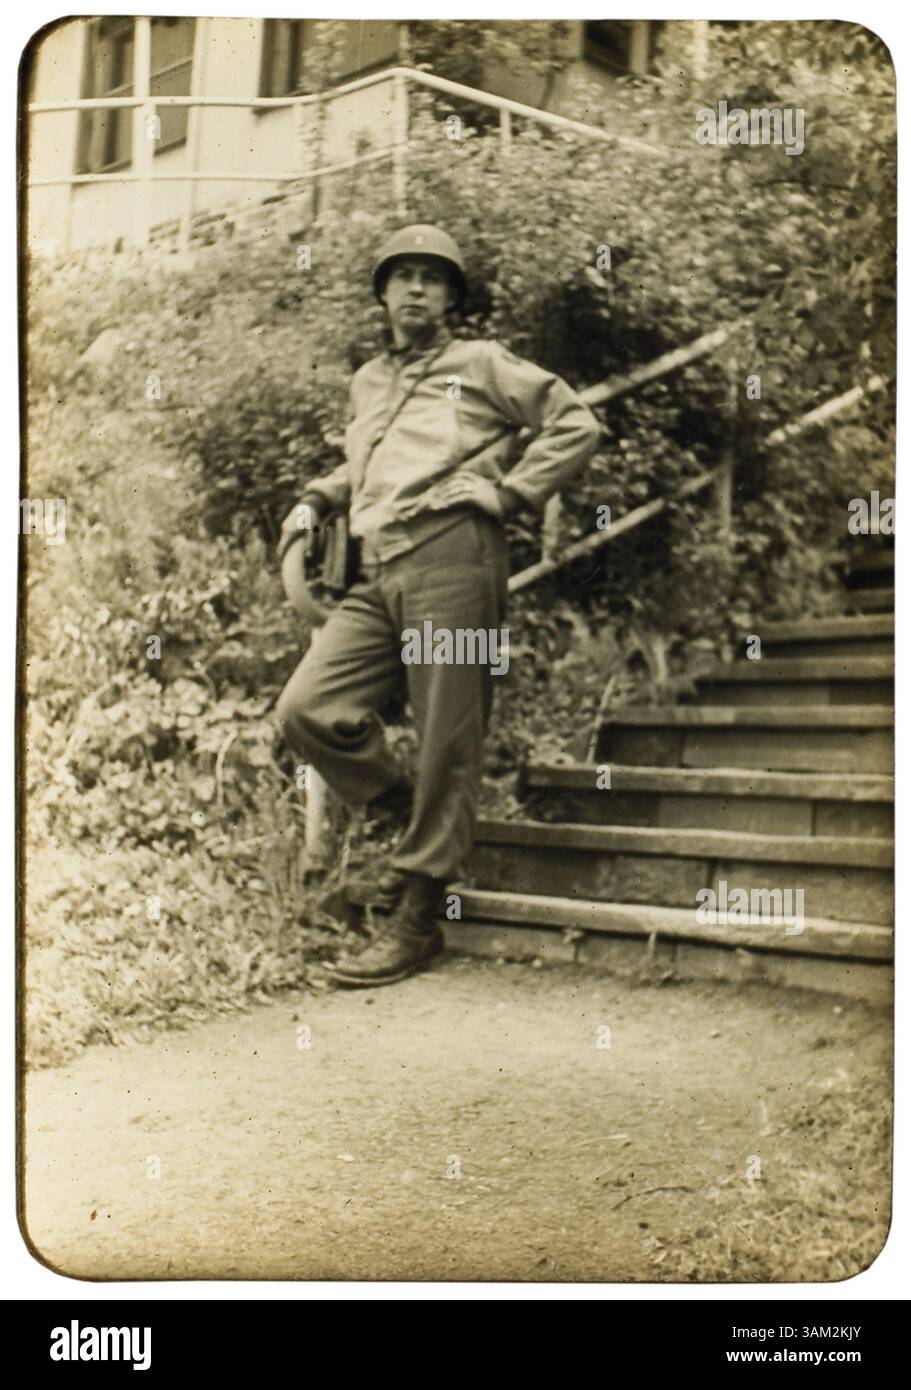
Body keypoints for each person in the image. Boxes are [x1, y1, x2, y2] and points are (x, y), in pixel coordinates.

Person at [276, 224, 600, 986]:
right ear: (383, 293)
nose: (416, 288)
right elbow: (370, 463)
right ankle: (405, 818)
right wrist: (316, 497)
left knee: (445, 737)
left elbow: (573, 421)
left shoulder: (479, 364)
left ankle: (418, 918)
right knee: (305, 710)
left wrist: (511, 490)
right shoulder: (366, 382)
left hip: (455, 560)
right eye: (403, 276)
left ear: (452, 296)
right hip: (375, 570)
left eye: (432, 277)